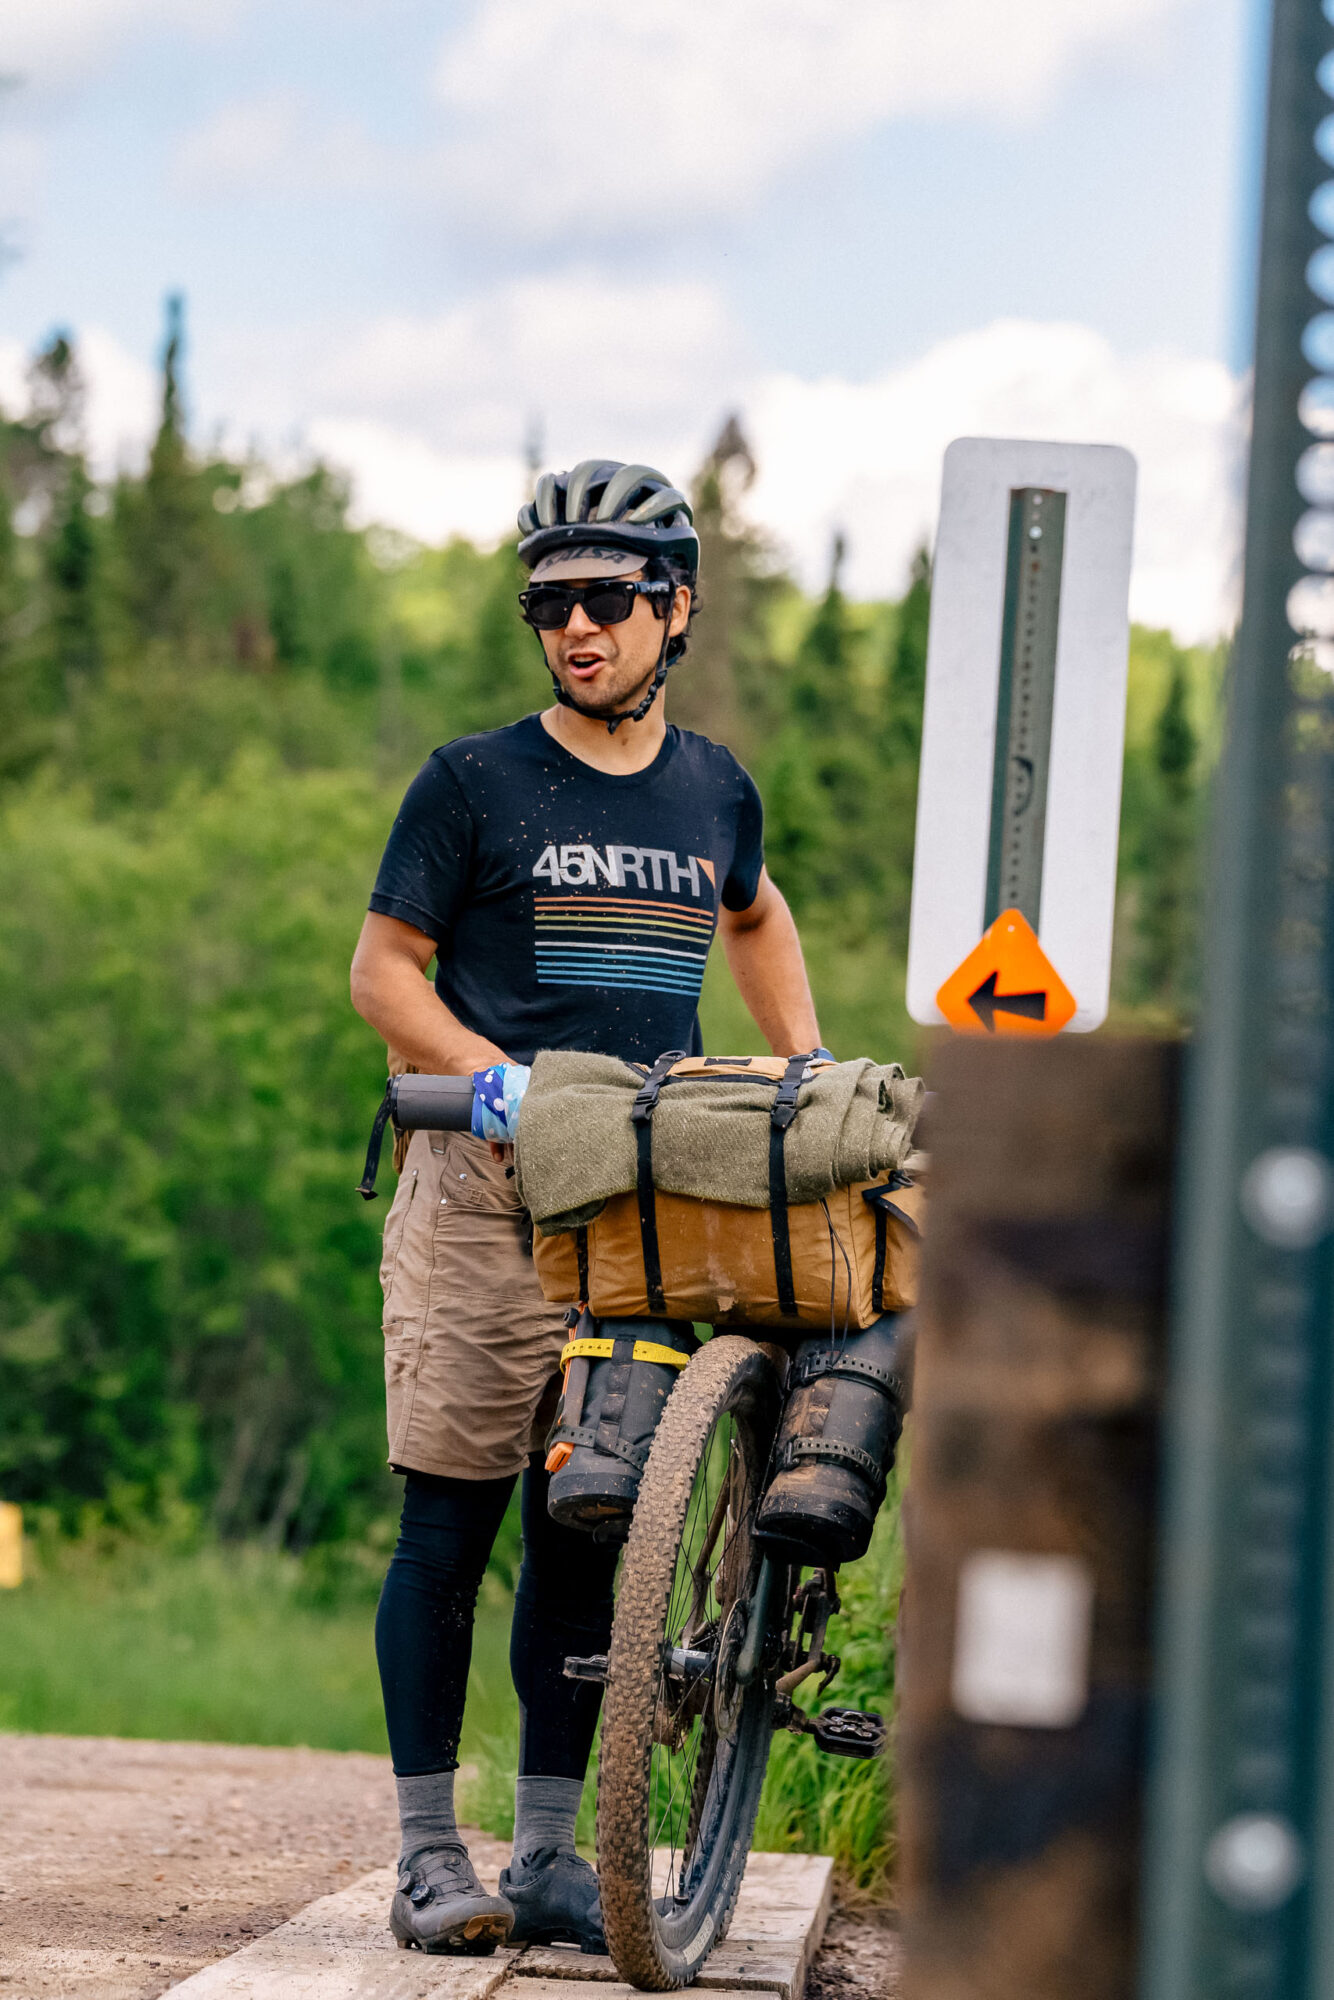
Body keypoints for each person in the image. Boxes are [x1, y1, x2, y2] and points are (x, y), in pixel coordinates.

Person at [349, 459, 825, 1957]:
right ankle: (432, 1858)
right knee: (450, 1520)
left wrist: (803, 1067)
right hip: (484, 1188)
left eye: (606, 602)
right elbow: (380, 974)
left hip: (634, 1199)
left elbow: (751, 907)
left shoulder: (712, 788)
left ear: (672, 610)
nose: (575, 629)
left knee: (588, 1519)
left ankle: (552, 1855)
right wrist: (491, 1080)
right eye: (549, 605)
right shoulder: (472, 782)